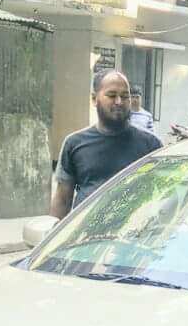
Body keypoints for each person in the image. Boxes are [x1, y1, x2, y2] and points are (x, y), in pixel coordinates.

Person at [51, 70, 162, 218]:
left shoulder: (151, 145)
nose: (119, 102)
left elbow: (163, 197)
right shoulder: (74, 143)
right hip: (87, 237)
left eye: (125, 96)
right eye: (111, 95)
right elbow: (63, 200)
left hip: (133, 236)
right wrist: (53, 234)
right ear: (93, 98)